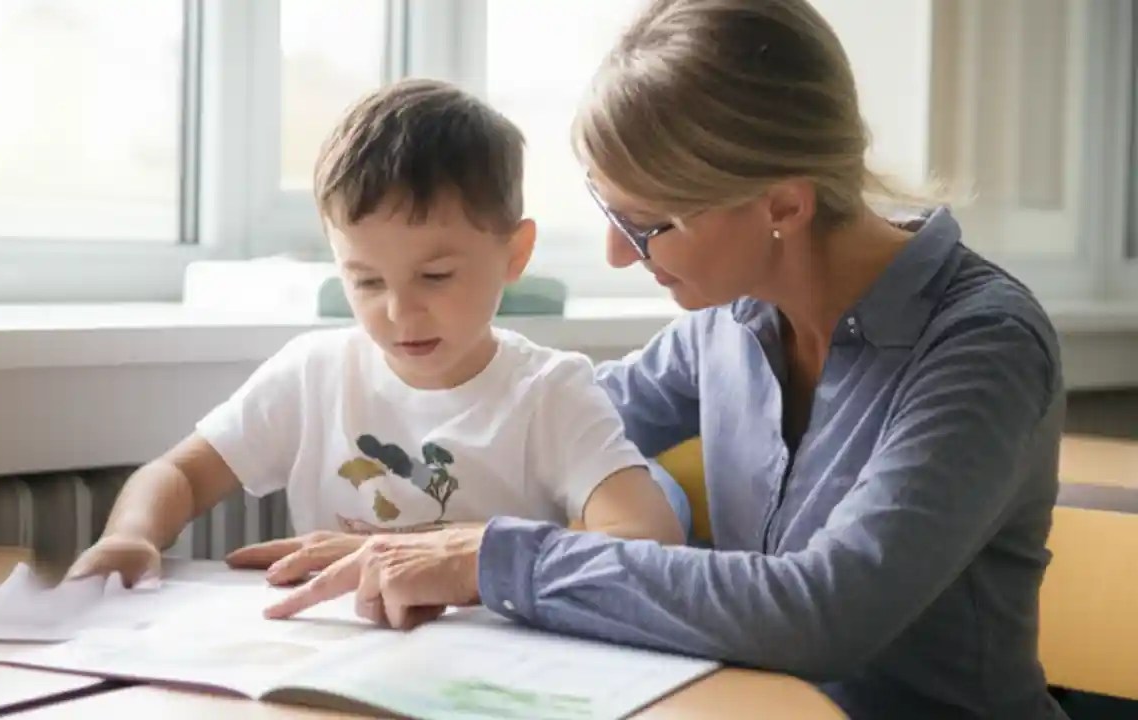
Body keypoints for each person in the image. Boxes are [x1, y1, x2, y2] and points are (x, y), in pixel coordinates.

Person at [261, 2, 1068, 718]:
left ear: (783, 204)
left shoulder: (983, 348)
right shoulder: (728, 324)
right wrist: (383, 486)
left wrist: (489, 558)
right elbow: (534, 424)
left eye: (649, 225)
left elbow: (824, 612)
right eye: (610, 211)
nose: (617, 254)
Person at [66, 79, 684, 588]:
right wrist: (131, 535)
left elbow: (647, 538)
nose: (398, 310)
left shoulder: (549, 392)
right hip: (334, 648)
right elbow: (179, 474)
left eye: (435, 276)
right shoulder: (314, 372)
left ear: (514, 254)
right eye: (364, 281)